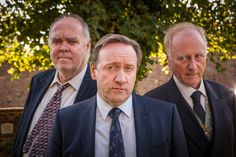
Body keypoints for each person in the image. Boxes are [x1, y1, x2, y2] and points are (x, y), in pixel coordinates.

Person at [46, 34, 189, 157]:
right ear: (93, 71)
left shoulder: (166, 116)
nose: (121, 79)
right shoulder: (65, 121)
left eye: (129, 68)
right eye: (111, 67)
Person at [145, 22, 236, 157]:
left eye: (198, 56)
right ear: (169, 60)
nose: (193, 66)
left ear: (206, 55)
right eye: (183, 58)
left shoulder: (227, 96)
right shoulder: (151, 104)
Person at [12, 14, 97, 157]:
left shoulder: (101, 89)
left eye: (72, 41)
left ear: (87, 46)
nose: (63, 48)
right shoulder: (38, 81)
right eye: (57, 41)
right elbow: (22, 133)